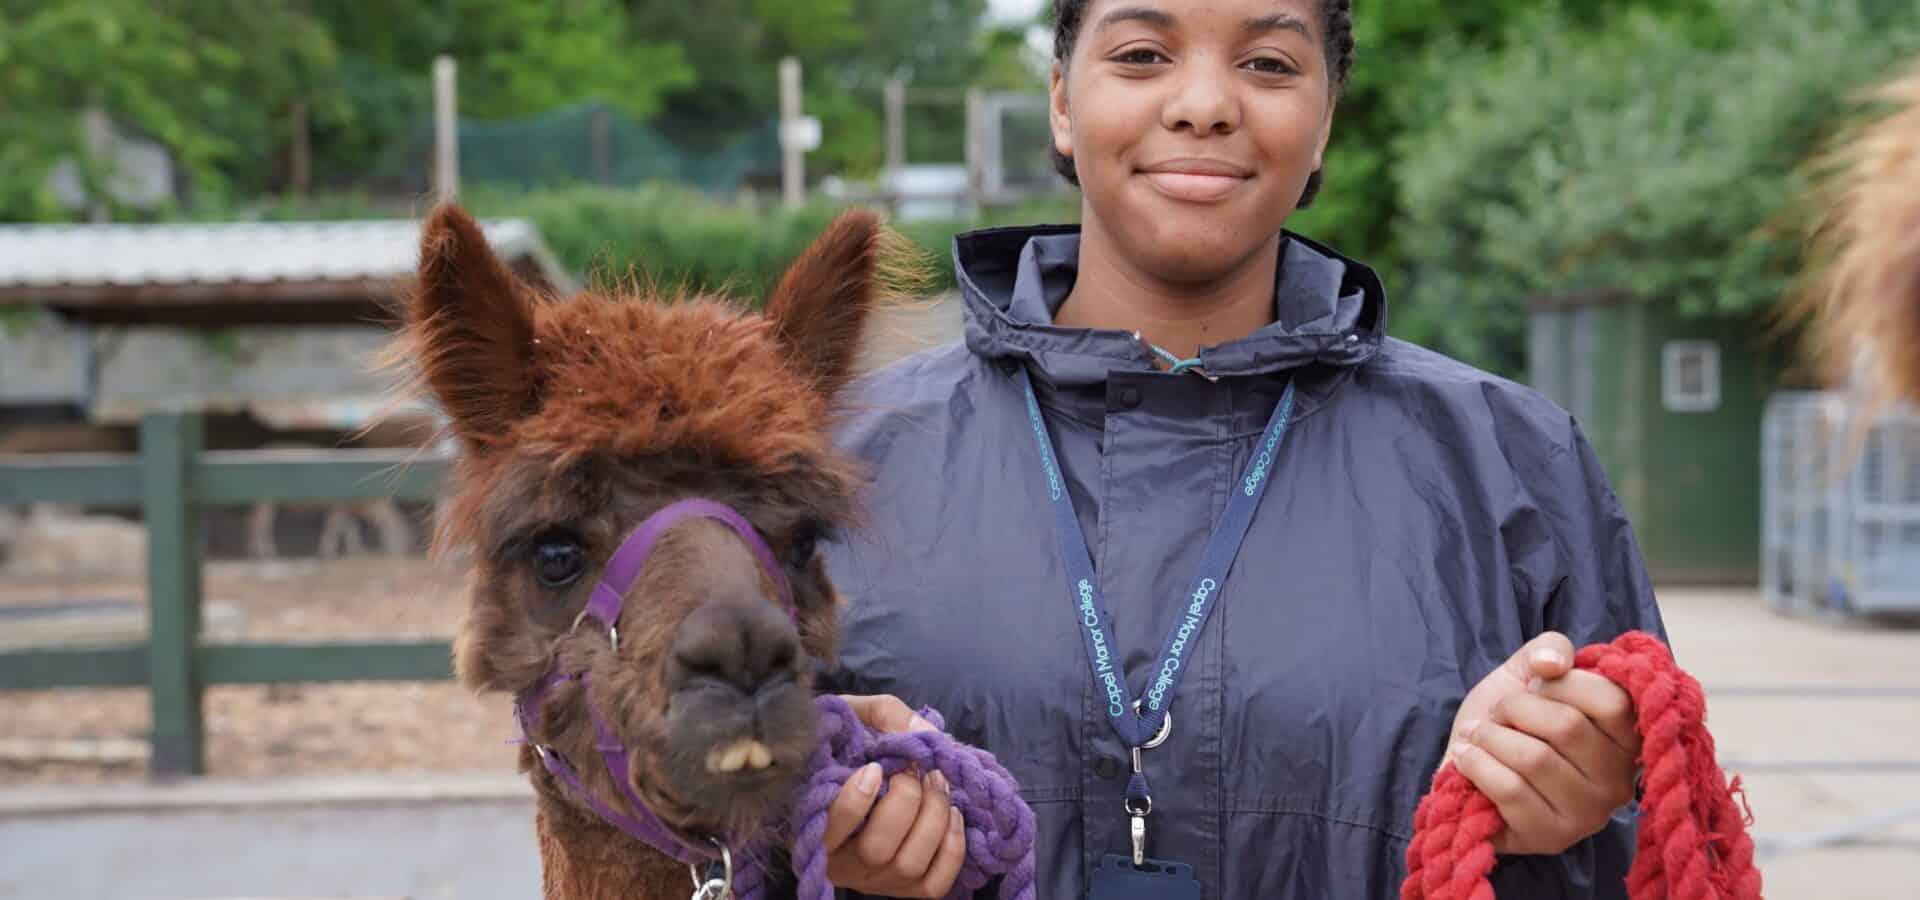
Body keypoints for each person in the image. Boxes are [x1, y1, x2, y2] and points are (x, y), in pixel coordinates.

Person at [813, 1, 1664, 897]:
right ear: (1062, 101)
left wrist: (1579, 813)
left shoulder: (1510, 465)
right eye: (1143, 54)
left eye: (1268, 65)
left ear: (1324, 120)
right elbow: (717, 827)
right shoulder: (840, 461)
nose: (1204, 105)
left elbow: (1657, 837)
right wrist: (804, 834)